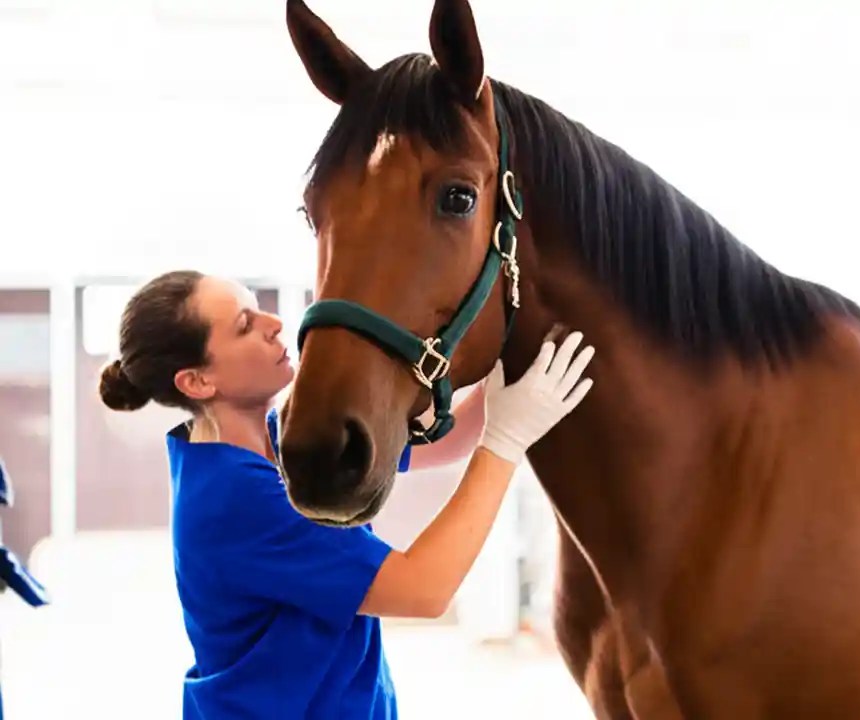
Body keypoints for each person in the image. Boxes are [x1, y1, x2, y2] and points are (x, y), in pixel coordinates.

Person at [96, 270, 594, 719]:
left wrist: (514, 348)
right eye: (245, 325)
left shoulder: (281, 436)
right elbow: (424, 589)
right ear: (198, 380)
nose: (274, 322)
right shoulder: (237, 498)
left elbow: (448, 440)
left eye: (258, 306)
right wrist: (506, 441)